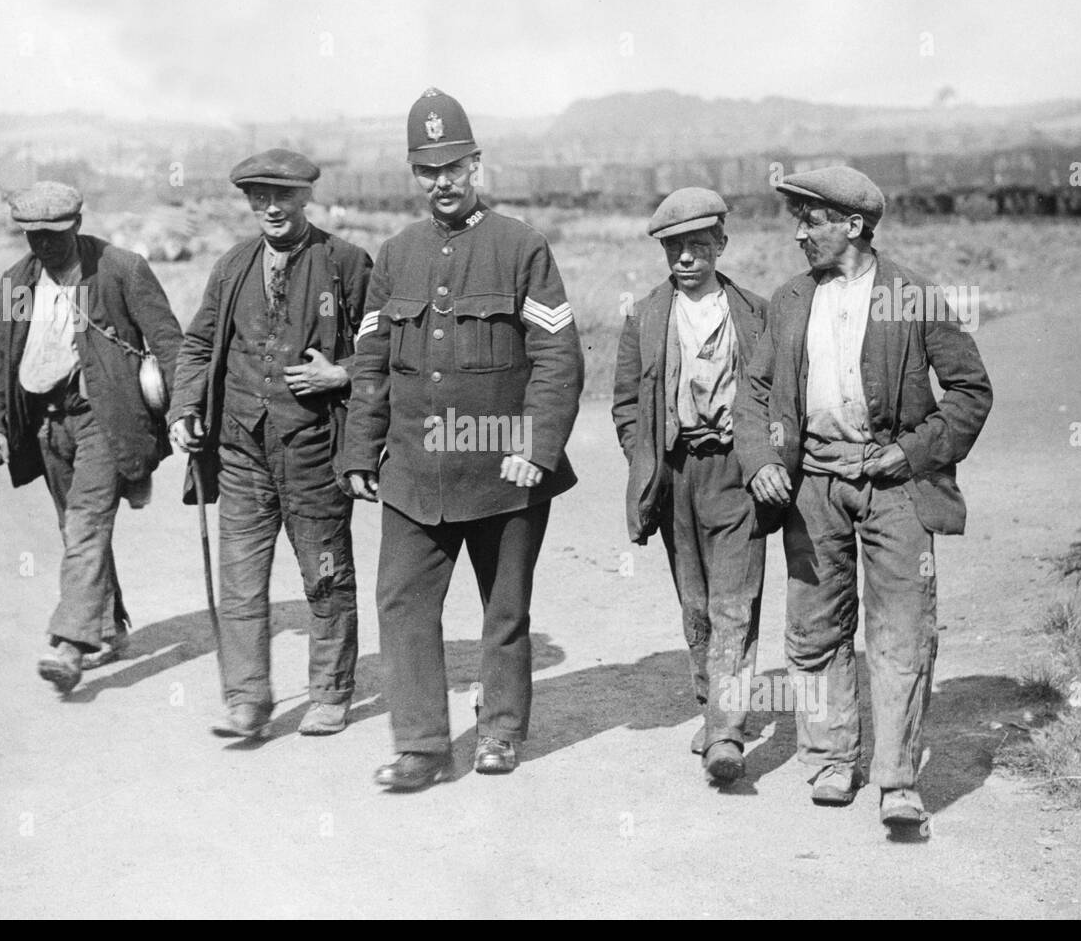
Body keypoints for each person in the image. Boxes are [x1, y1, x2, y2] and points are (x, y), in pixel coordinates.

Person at [735, 165, 992, 826]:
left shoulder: (911, 294)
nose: (799, 234)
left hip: (897, 486)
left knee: (902, 626)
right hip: (811, 487)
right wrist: (763, 457)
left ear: (853, 224)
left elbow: (970, 391)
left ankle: (898, 777)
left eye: (811, 220)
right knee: (816, 628)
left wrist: (911, 451)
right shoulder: (790, 300)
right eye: (799, 219)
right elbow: (754, 392)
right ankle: (829, 759)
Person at [343, 88, 584, 790]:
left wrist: (537, 446)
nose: (441, 181)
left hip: (505, 467)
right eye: (427, 169)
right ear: (413, 175)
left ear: (475, 164)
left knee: (504, 608)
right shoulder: (395, 255)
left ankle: (502, 731)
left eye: (453, 166)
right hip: (416, 471)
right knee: (401, 601)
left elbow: (558, 356)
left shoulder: (520, 247)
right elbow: (371, 362)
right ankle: (421, 744)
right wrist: (361, 449)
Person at [168, 150, 371, 739]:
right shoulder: (232, 266)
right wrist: (184, 408)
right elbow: (199, 345)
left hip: (313, 451)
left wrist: (342, 374)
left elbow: (388, 352)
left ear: (307, 197)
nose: (272, 208)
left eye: (283, 196)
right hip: (240, 451)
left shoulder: (346, 264)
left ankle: (331, 693)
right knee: (240, 581)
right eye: (259, 197)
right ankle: (246, 700)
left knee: (325, 575)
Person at [0, 181, 183, 694]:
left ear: (77, 225)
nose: (43, 245)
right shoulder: (17, 280)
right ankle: (108, 626)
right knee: (75, 529)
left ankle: (69, 646)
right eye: (33, 237)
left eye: (53, 235)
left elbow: (169, 342)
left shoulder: (120, 269)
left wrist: (186, 412)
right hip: (47, 424)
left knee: (87, 523)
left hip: (103, 418)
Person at [612, 187, 771, 785]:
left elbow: (777, 397)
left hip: (735, 472)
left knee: (735, 603)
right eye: (674, 247)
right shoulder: (646, 317)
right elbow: (627, 404)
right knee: (697, 606)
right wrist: (645, 458)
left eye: (699, 245)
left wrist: (765, 461)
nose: (685, 258)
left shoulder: (754, 313)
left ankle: (727, 734)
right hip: (675, 476)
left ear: (721, 245)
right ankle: (713, 707)